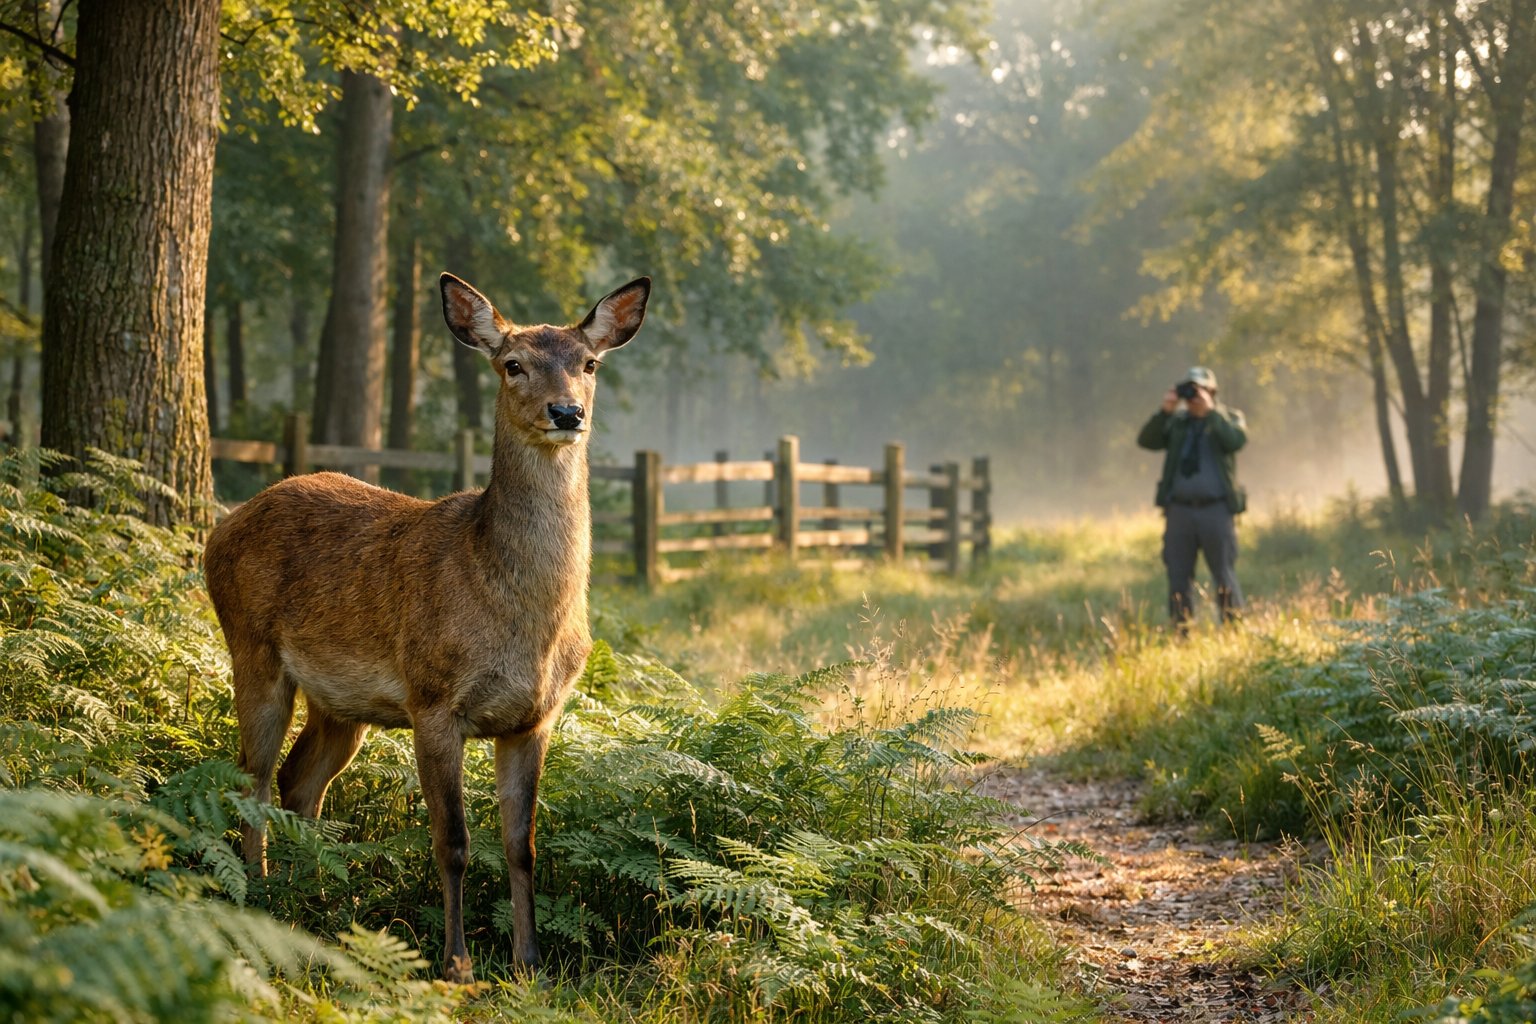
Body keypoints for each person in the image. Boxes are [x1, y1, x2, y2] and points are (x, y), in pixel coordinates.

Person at [1136, 366, 1247, 627]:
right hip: (1179, 512)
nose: (1194, 395)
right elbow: (1146, 441)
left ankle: (1233, 630)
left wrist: (1211, 413)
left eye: (1200, 389)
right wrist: (1165, 411)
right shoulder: (1176, 423)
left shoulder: (1228, 417)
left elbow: (1235, 441)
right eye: (1190, 389)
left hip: (1216, 510)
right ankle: (1181, 632)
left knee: (1224, 574)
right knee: (1178, 576)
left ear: (1212, 391)